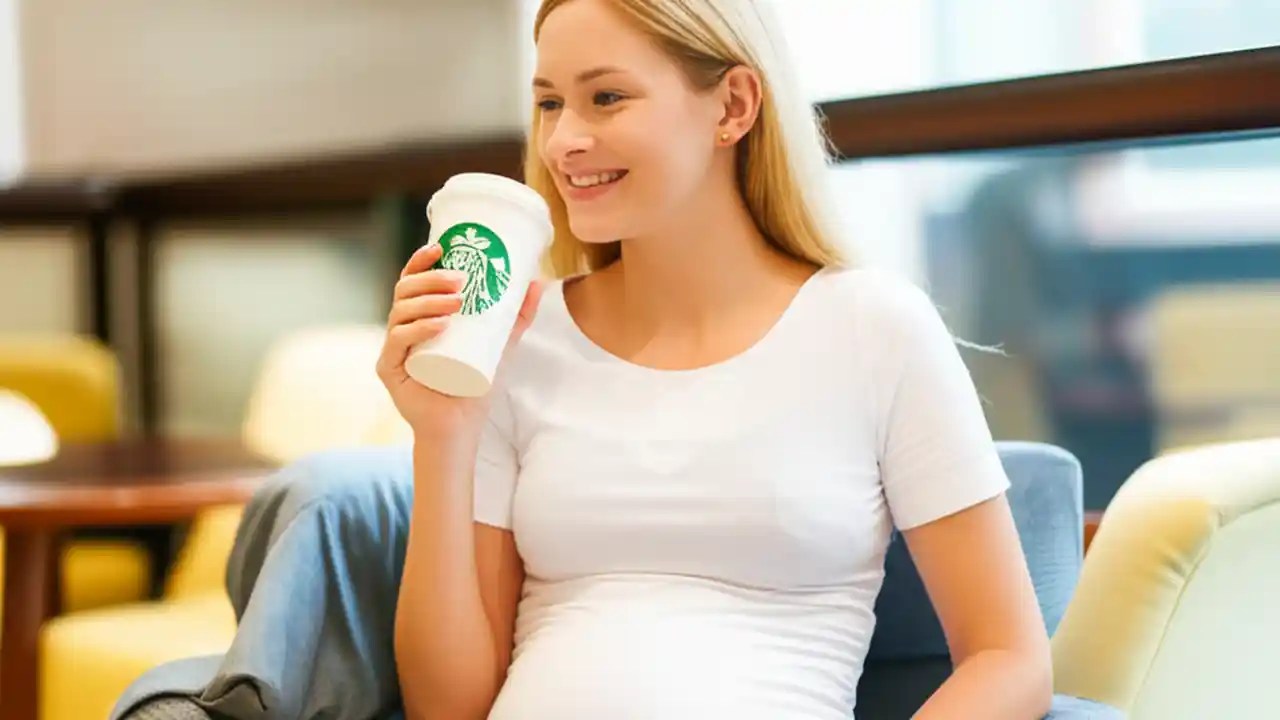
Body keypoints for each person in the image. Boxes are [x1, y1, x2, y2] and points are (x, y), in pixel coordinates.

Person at [380, 1, 1054, 718]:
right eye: (549, 103)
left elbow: (1009, 658)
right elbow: (447, 709)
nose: (563, 141)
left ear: (732, 106)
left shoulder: (874, 328)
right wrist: (442, 433)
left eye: (606, 97)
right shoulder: (517, 335)